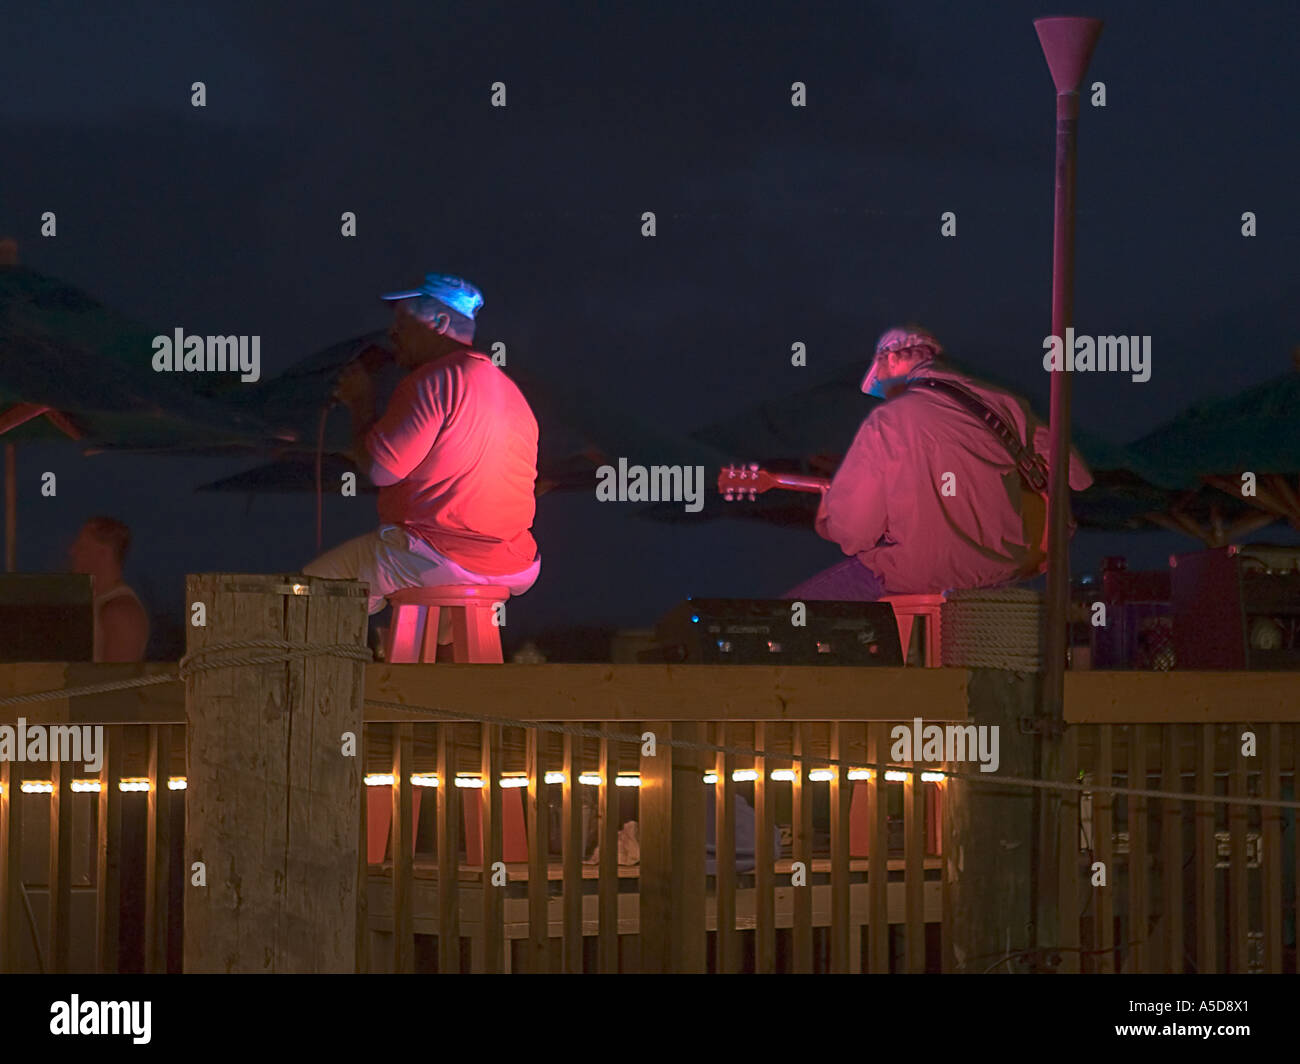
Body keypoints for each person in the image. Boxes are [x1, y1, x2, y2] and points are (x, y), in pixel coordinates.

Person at [784, 324, 1093, 601]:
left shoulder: (886, 422)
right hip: (1003, 571)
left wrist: (828, 515)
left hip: (920, 578)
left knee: (793, 616)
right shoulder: (1004, 404)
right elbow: (1076, 475)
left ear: (891, 359)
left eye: (882, 383)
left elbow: (854, 533)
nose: (886, 395)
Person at [304, 273, 541, 616]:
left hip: (439, 556)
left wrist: (361, 405)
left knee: (306, 592)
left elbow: (380, 469)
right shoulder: (513, 393)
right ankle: (436, 657)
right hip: (512, 565)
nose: (392, 333)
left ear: (440, 322)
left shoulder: (432, 379)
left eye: (403, 320)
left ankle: (339, 667)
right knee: (427, 613)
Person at [68, 516, 150, 662]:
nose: (72, 552)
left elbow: (118, 680)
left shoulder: (121, 612)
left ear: (103, 553)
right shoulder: (96, 603)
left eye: (82, 547)